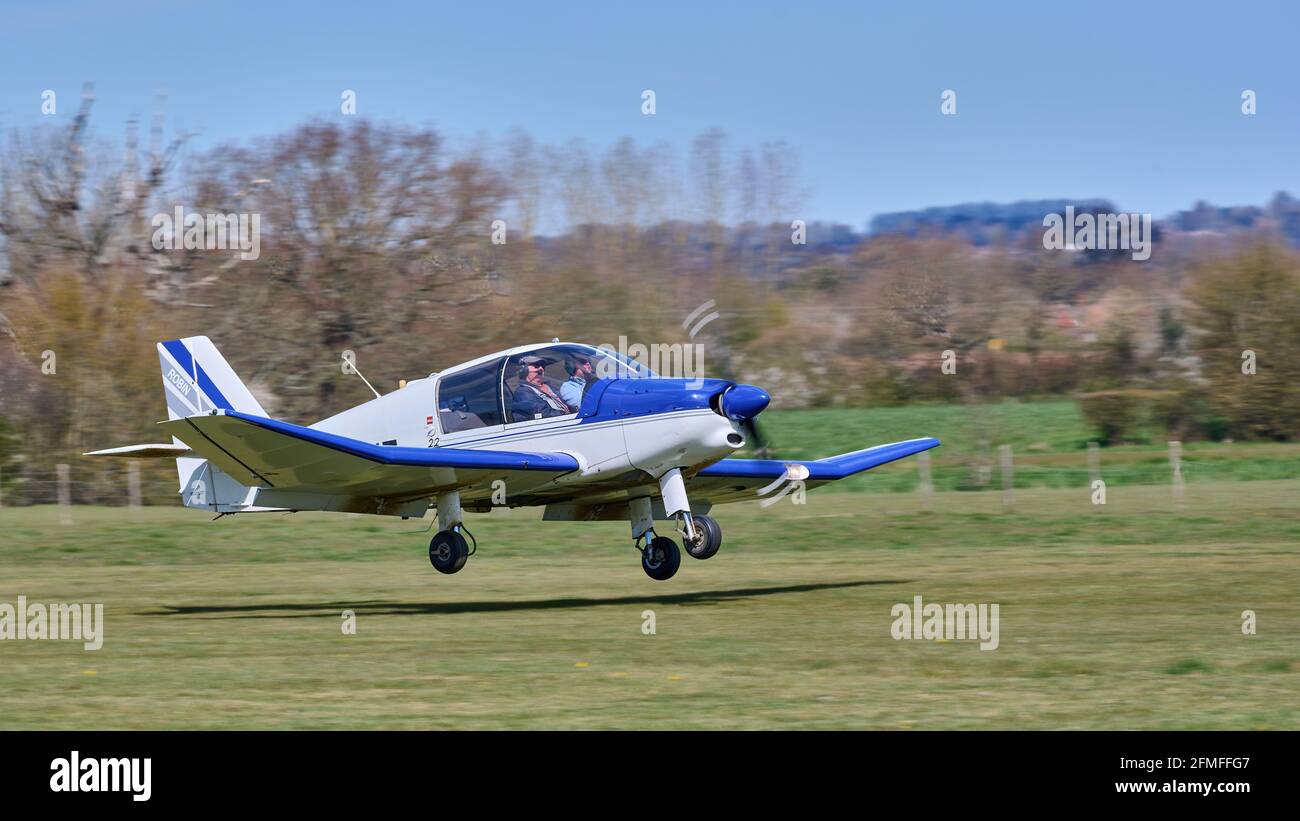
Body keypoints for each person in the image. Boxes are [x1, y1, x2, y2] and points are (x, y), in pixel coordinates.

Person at [510, 356, 570, 420]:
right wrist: (567, 415)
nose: (541, 369)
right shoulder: (522, 392)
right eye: (536, 366)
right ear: (524, 370)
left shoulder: (550, 387)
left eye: (543, 366)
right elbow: (543, 412)